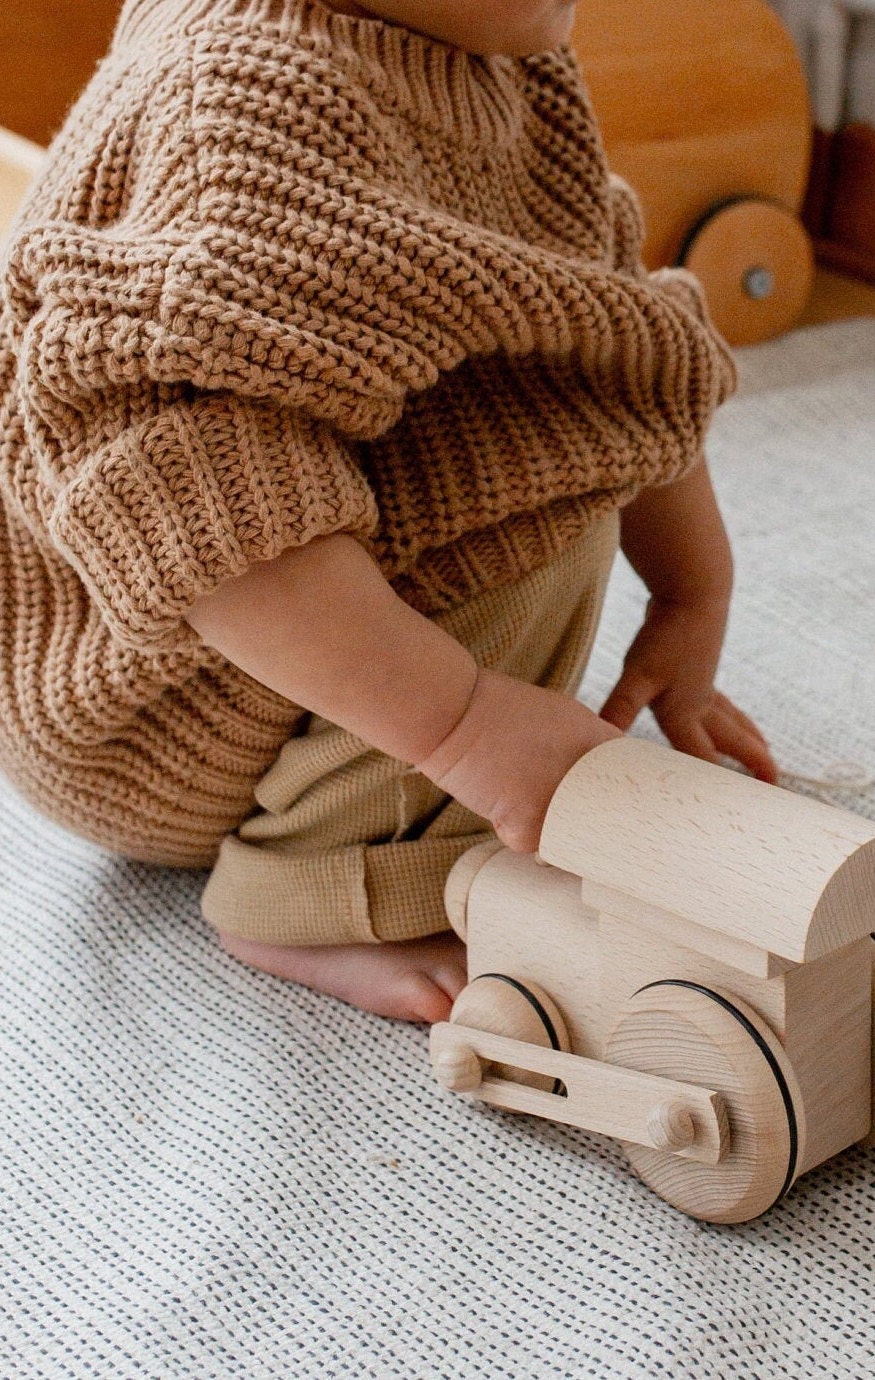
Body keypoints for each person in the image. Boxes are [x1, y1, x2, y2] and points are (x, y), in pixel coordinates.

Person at [0, 0, 777, 1023]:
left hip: (275, 621)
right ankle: (309, 892)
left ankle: (396, 754)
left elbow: (601, 337)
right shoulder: (240, 108)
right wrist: (464, 727)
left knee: (537, 439)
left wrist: (692, 591)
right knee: (525, 512)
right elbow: (198, 509)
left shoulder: (492, 56)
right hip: (150, 696)